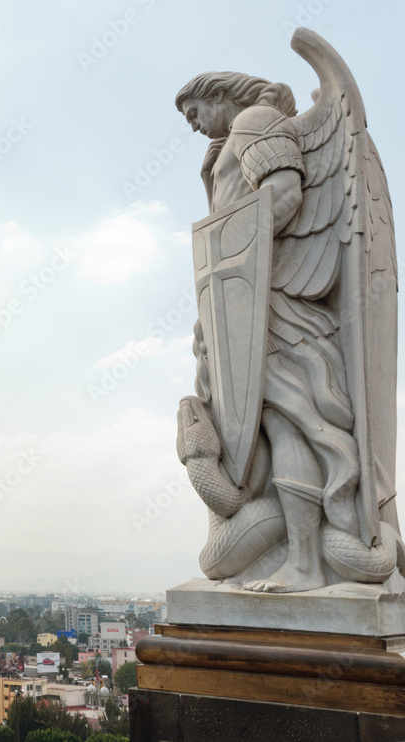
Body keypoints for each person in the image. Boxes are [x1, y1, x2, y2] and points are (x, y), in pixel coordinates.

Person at [176, 72, 361, 592]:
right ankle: (295, 550)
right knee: (266, 426)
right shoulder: (226, 144)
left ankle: (305, 561)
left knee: (288, 422)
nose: (193, 127)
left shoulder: (257, 122)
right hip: (244, 302)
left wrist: (240, 263)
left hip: (271, 300)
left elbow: (283, 193)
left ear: (218, 96)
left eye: (194, 113)